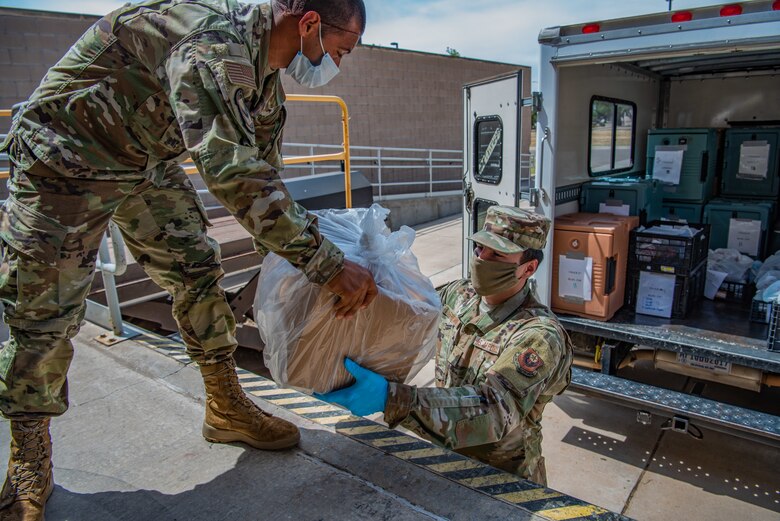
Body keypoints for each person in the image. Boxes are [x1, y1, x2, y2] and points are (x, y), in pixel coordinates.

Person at [0, 0, 376, 518]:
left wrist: (303, 271)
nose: (339, 62)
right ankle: (28, 454)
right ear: (310, 23)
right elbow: (228, 168)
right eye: (342, 49)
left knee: (196, 265)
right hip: (67, 155)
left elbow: (265, 181)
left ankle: (224, 405)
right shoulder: (212, 42)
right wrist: (329, 267)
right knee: (44, 311)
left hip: (141, 161)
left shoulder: (264, 81)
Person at [319, 206, 573, 485]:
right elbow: (404, 317)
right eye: (479, 248)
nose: (481, 259)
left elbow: (494, 411)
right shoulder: (459, 294)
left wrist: (391, 399)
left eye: (497, 255)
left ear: (529, 267)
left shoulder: (539, 334)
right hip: (445, 457)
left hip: (503, 480)